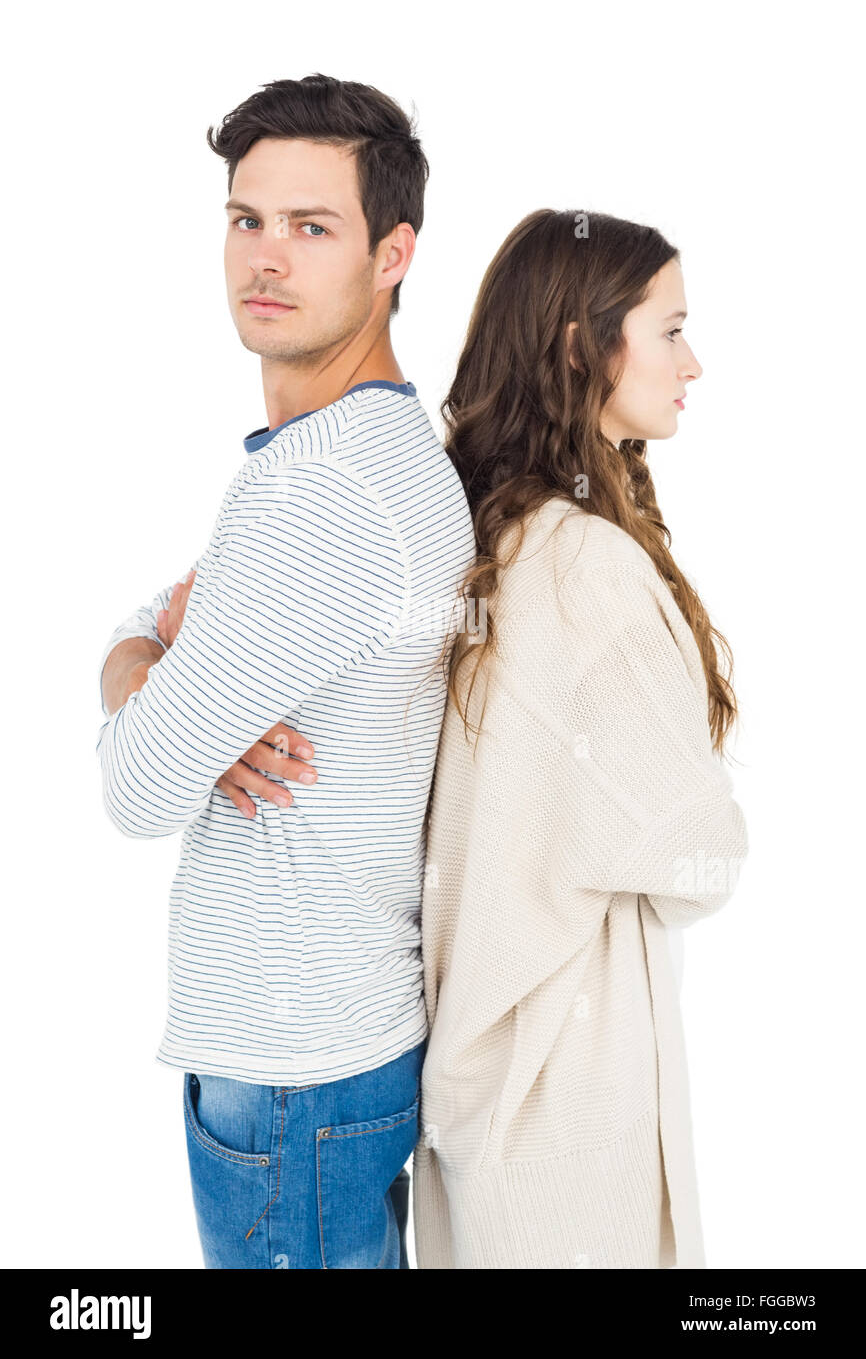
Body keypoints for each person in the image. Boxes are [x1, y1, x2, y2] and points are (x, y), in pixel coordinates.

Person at [96, 74, 475, 1269]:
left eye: (311, 227)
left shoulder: (320, 493)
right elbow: (152, 620)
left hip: (286, 1063)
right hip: (329, 1039)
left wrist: (156, 692)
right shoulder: (346, 449)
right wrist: (151, 664)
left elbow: (138, 791)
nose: (265, 257)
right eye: (245, 218)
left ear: (390, 253)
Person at [411, 209, 750, 1269]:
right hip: (563, 1090)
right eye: (670, 329)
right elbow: (699, 851)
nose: (693, 362)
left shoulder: (481, 529)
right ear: (577, 345)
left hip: (487, 1076)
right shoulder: (582, 566)